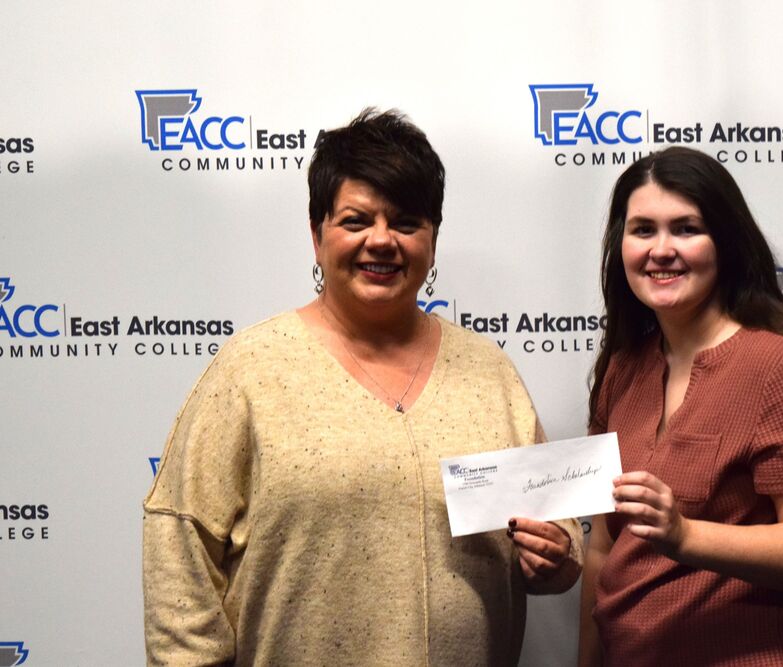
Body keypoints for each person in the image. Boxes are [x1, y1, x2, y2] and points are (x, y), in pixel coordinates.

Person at [143, 108, 582, 666]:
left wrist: (557, 555)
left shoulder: (489, 372)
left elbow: (558, 527)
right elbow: (179, 548)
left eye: (405, 222)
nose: (381, 241)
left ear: (432, 240)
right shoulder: (249, 370)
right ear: (317, 236)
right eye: (356, 221)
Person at [578, 147, 783, 667]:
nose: (661, 250)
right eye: (643, 230)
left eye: (686, 229)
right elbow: (604, 546)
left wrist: (686, 535)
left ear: (725, 242)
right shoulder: (623, 368)